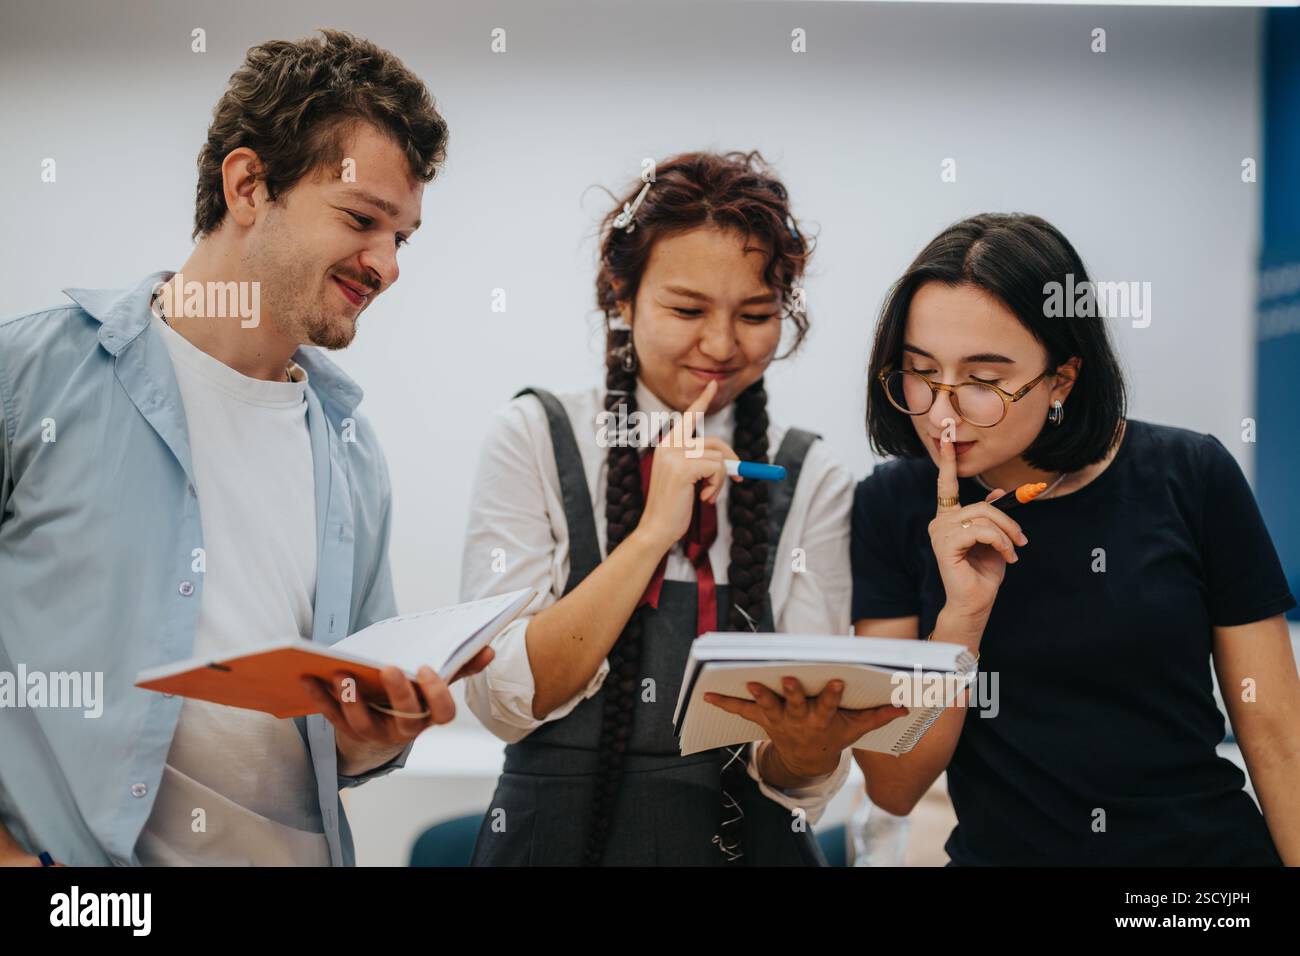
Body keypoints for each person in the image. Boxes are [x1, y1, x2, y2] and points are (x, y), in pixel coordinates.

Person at [0, 29, 489, 867]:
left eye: (402, 237)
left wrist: (378, 735)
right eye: (362, 220)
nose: (388, 266)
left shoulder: (350, 450)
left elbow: (345, 747)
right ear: (248, 185)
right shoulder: (31, 380)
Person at [460, 152, 906, 865]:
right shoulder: (535, 437)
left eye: (757, 315)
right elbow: (505, 699)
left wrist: (809, 750)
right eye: (687, 309)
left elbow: (797, 783)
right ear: (621, 295)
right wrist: (651, 536)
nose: (723, 346)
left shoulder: (810, 474)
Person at [850, 212, 1299, 865]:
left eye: (983, 380)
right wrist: (961, 620)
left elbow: (1276, 734)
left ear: (1062, 378)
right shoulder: (892, 504)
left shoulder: (1189, 475)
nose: (943, 413)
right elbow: (893, 784)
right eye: (920, 371)